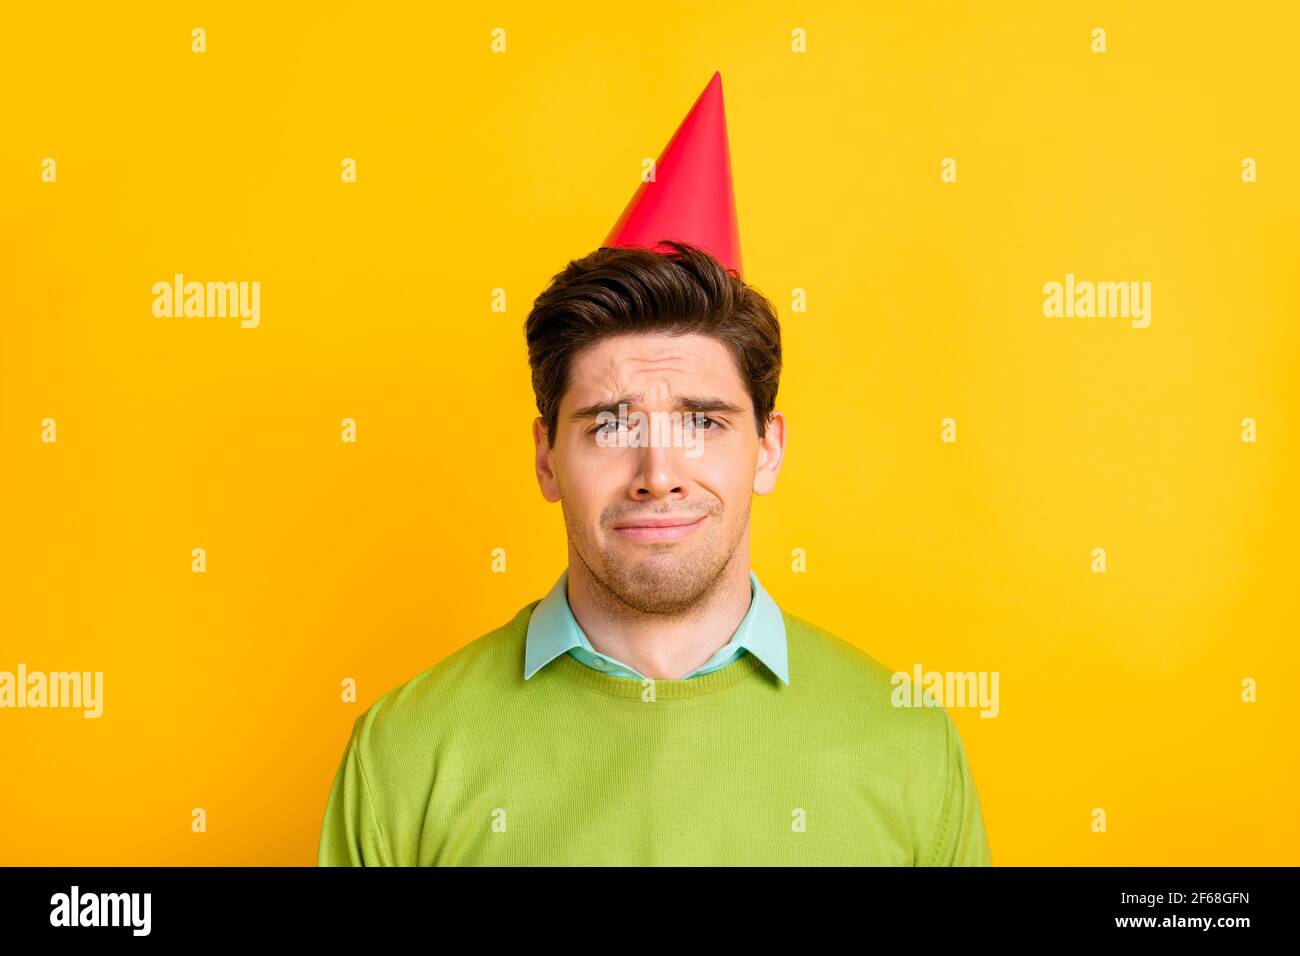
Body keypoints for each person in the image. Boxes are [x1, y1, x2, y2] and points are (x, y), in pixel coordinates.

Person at [317, 72, 992, 867]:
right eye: (610, 425)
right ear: (545, 456)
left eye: (702, 422)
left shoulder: (906, 741)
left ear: (768, 448)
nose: (658, 473)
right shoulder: (404, 752)